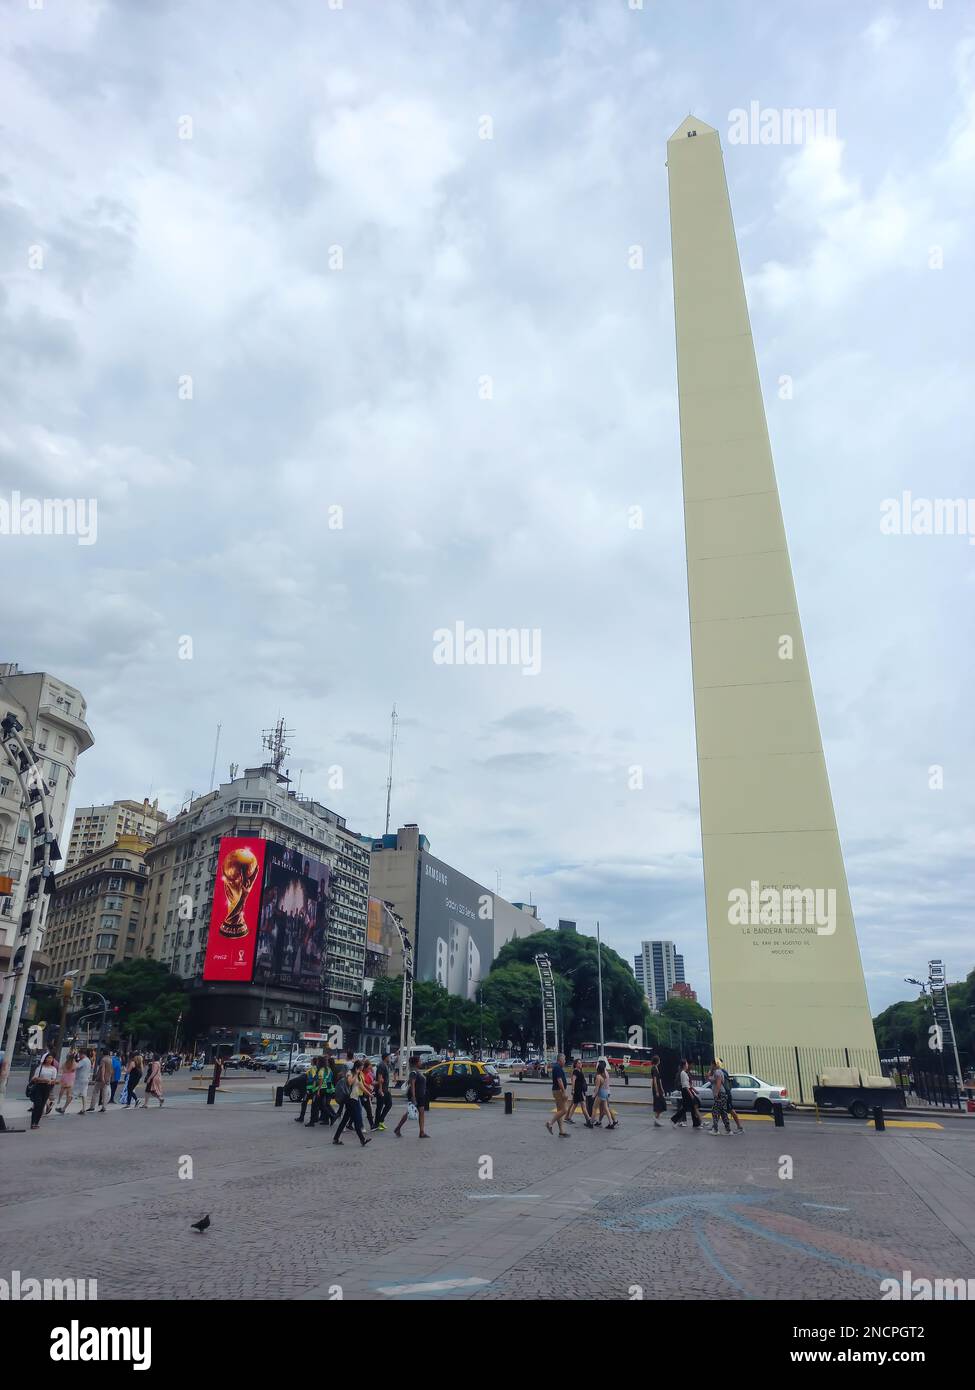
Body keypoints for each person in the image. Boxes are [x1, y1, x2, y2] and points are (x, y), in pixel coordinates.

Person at [333, 1060, 371, 1147]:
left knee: (344, 1120)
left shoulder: (359, 1074)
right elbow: (349, 1083)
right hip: (350, 1100)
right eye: (361, 1066)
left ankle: (336, 1138)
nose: (362, 1067)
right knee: (357, 1119)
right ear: (358, 1066)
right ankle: (362, 1139)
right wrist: (356, 1074)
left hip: (355, 1099)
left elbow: (360, 1085)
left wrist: (369, 1093)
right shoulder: (350, 1073)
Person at [394, 1054, 429, 1138]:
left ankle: (421, 1131)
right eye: (419, 1061)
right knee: (414, 1112)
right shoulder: (413, 1072)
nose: (421, 1063)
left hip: (420, 1094)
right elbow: (412, 1084)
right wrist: (413, 1097)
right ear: (416, 1063)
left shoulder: (416, 1071)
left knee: (417, 1112)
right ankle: (420, 1132)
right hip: (416, 1095)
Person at [29, 1052, 60, 1129]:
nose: (49, 1059)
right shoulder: (40, 1067)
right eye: (48, 1058)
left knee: (42, 1105)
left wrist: (54, 1082)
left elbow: (53, 1080)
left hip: (47, 1088)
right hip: (39, 1087)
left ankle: (36, 1122)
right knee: (37, 1105)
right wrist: (45, 1080)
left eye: (51, 1058)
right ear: (45, 1058)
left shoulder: (53, 1069)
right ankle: (33, 1122)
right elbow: (34, 1078)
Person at [671, 1058, 701, 1129]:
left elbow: (688, 1084)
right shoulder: (683, 1073)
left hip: (688, 1091)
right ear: (684, 1065)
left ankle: (696, 1123)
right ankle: (674, 1120)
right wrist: (691, 1094)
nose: (687, 1065)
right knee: (688, 1107)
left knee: (690, 1107)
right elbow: (685, 1085)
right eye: (687, 1064)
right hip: (686, 1092)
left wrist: (694, 1090)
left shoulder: (684, 1073)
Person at [545, 1053, 570, 1137]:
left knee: (560, 1111)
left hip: (557, 1090)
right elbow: (559, 1081)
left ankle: (561, 1131)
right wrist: (564, 1091)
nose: (565, 1061)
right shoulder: (557, 1068)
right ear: (560, 1060)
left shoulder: (557, 1067)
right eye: (564, 1059)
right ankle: (550, 1123)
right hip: (558, 1091)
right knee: (564, 1110)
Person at [591, 1058, 618, 1129]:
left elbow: (598, 1086)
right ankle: (610, 1122)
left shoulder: (600, 1075)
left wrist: (594, 1094)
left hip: (602, 1091)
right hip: (606, 1091)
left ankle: (591, 1122)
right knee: (605, 1108)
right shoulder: (606, 1073)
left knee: (596, 1108)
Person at [565, 1058, 593, 1128]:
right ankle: (588, 1119)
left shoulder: (579, 1070)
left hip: (580, 1090)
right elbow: (573, 1080)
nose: (581, 1064)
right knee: (583, 1105)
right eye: (579, 1063)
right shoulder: (575, 1071)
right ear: (576, 1064)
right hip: (577, 1090)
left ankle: (569, 1118)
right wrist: (573, 1089)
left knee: (575, 1105)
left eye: (581, 1063)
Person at [373, 1052, 393, 1130]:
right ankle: (376, 1123)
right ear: (385, 1058)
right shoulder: (381, 1065)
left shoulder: (385, 1065)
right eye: (389, 1057)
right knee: (380, 1106)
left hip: (385, 1089)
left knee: (389, 1104)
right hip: (381, 1089)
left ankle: (380, 1120)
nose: (390, 1058)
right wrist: (380, 1089)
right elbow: (380, 1078)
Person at [72, 1048, 93, 1114]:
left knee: (73, 1094)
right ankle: (84, 1108)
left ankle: (63, 1108)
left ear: (82, 1054)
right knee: (84, 1094)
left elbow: (76, 1066)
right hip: (86, 1079)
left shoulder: (83, 1061)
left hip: (80, 1079)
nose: (79, 1056)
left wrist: (74, 1060)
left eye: (79, 1054)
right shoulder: (88, 1060)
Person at [650, 1054, 667, 1127]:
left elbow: (659, 1080)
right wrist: (656, 1091)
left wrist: (662, 1088)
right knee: (659, 1104)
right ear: (657, 1061)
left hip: (659, 1088)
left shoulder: (656, 1068)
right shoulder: (654, 1068)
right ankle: (656, 1119)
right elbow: (654, 1080)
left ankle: (656, 1119)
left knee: (662, 1104)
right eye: (659, 1059)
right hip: (656, 1088)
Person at [360, 1059, 376, 1130]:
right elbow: (363, 1084)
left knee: (369, 1110)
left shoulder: (369, 1074)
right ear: (365, 1068)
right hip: (361, 1094)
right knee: (357, 1111)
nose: (370, 1070)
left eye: (370, 1068)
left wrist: (378, 1082)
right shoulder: (361, 1074)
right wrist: (369, 1090)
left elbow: (371, 1082)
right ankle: (351, 1124)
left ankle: (372, 1125)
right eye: (369, 1068)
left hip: (367, 1094)